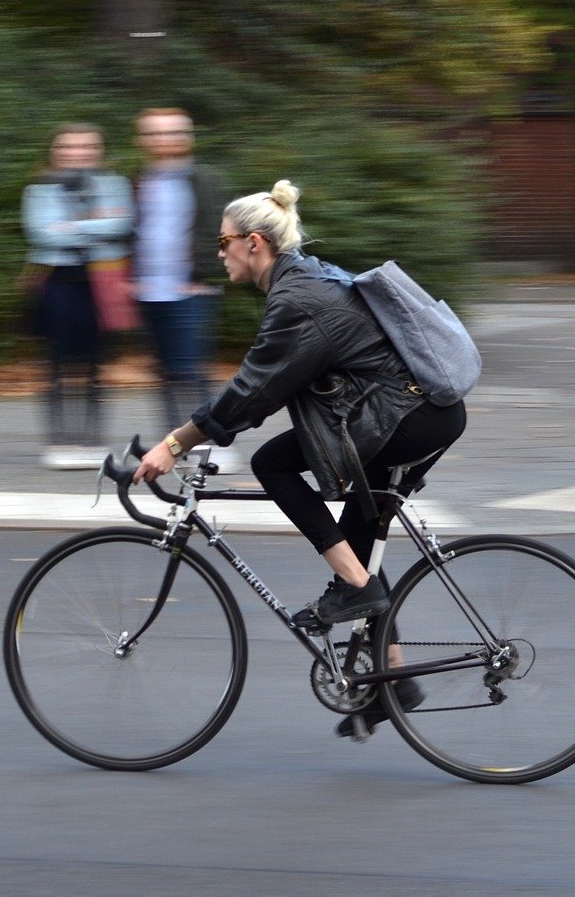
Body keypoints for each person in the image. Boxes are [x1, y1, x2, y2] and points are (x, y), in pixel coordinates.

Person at [134, 180, 466, 738]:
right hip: (411, 411)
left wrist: (175, 443)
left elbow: (253, 391)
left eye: (223, 242)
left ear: (255, 243)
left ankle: (359, 594)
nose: (219, 254)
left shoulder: (297, 301)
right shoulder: (302, 281)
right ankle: (395, 683)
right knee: (361, 548)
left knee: (275, 466)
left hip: (407, 417)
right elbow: (264, 387)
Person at [22, 124, 133, 469]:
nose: (77, 152)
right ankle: (60, 441)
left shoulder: (115, 185)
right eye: (68, 147)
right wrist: (94, 222)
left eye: (86, 146)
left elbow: (122, 225)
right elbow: (41, 234)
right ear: (55, 151)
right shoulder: (38, 190)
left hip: (100, 280)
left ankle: (92, 440)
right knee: (54, 365)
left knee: (95, 365)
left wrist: (70, 226)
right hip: (56, 281)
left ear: (98, 150)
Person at [130, 108, 227, 443]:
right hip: (149, 290)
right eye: (155, 133)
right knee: (165, 371)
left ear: (187, 137)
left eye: (172, 132)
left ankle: (213, 442)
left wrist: (207, 274)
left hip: (191, 289)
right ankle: (174, 442)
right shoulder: (137, 179)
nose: (164, 139)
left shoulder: (205, 179)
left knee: (193, 371)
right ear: (143, 139)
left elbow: (223, 228)